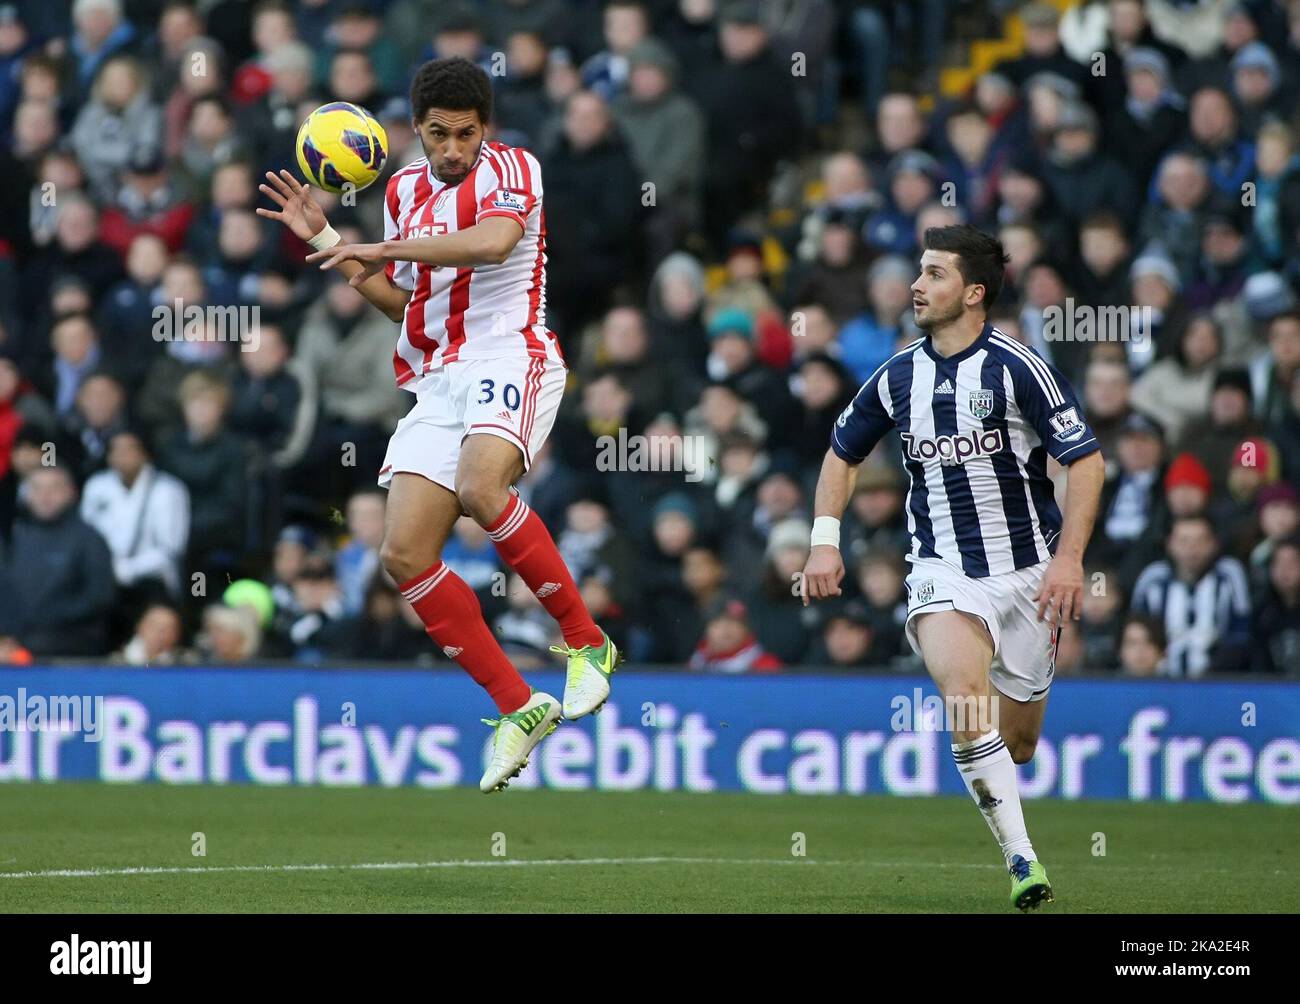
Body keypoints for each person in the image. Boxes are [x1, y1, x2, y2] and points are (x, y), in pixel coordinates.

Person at [258, 56, 616, 794]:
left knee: (484, 492)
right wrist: (329, 241)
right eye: (438, 135)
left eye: (465, 133)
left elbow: (491, 244)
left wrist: (380, 246)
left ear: (486, 128)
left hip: (511, 350)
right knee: (403, 555)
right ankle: (518, 707)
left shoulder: (516, 167)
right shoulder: (401, 191)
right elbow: (403, 304)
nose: (453, 149)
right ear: (415, 131)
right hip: (439, 376)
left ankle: (587, 643)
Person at [800, 224, 1105, 911]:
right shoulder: (898, 373)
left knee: (1018, 743)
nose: (916, 284)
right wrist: (825, 540)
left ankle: (1002, 777)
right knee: (963, 694)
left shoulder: (1018, 367)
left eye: (934, 273)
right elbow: (841, 454)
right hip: (942, 569)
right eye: (919, 271)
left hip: (1028, 574)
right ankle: (1022, 861)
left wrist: (1069, 561)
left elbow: (1085, 460)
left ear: (973, 293)